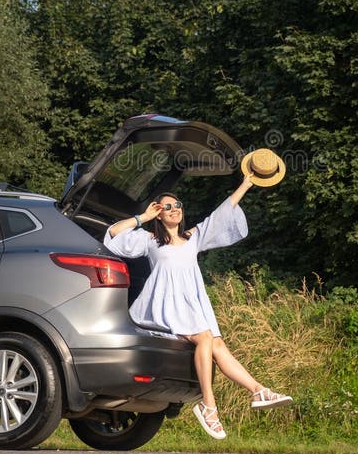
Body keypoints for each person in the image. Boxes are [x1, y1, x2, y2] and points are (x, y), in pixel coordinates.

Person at [103, 174, 292, 439]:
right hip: (165, 307)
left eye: (177, 204)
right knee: (205, 338)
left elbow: (221, 215)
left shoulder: (193, 237)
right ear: (159, 214)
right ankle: (208, 405)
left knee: (217, 345)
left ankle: (257, 390)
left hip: (192, 306)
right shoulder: (149, 240)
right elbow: (113, 234)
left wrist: (247, 183)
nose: (174, 209)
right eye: (167, 207)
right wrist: (143, 217)